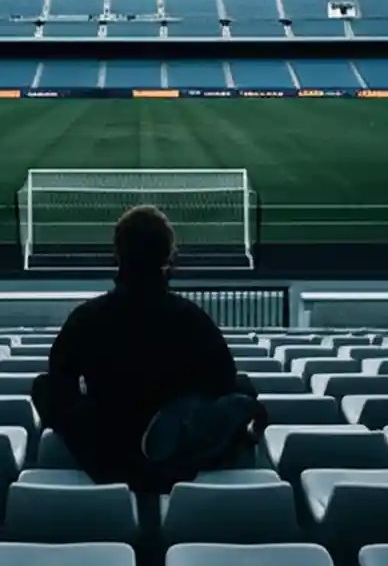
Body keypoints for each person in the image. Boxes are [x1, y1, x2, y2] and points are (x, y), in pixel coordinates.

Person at [31, 205, 262, 491]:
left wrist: (85, 420)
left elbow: (58, 380)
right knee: (240, 391)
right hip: (175, 443)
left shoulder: (87, 317)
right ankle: (172, 435)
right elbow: (224, 379)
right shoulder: (190, 318)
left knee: (45, 388)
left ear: (117, 255)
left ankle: (121, 444)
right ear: (168, 256)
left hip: (108, 440)